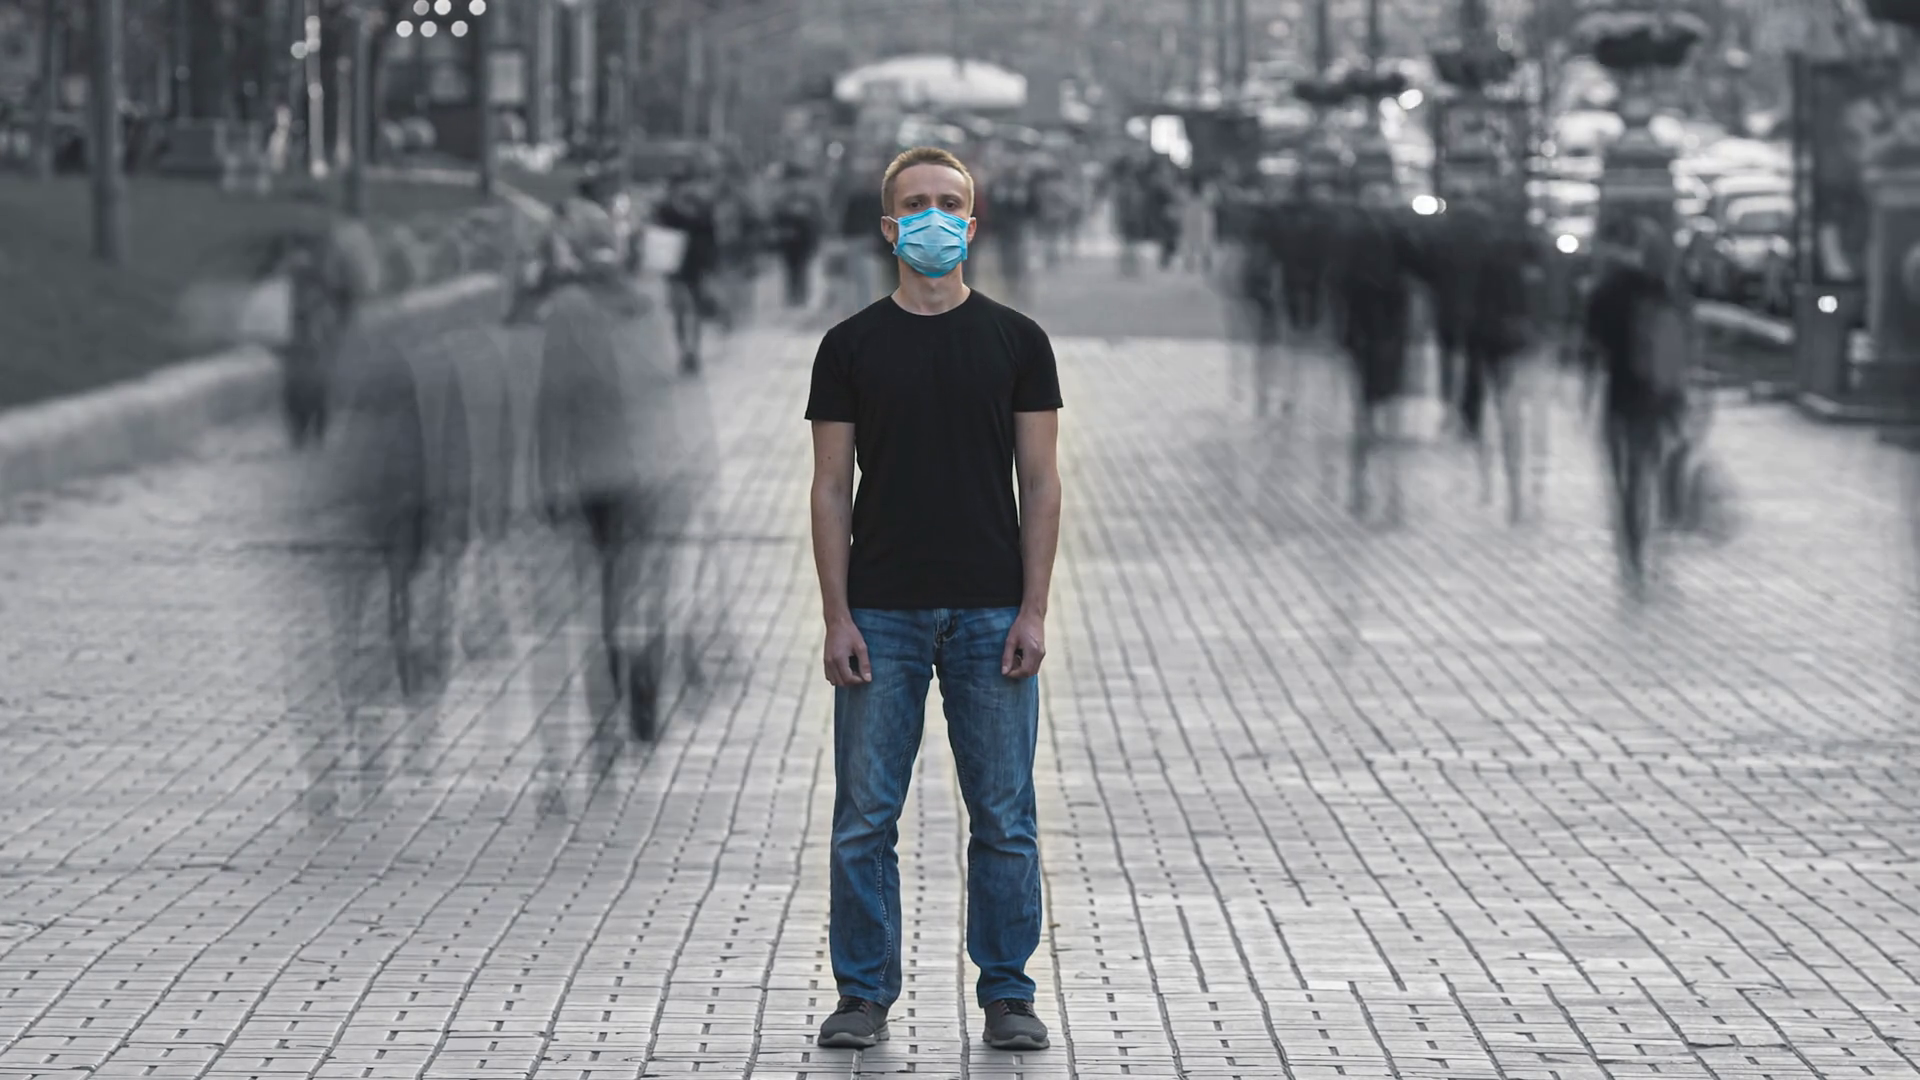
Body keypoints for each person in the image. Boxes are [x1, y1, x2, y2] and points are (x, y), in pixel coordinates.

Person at [804, 146, 1063, 1053]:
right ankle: (863, 993)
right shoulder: (849, 347)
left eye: (948, 202)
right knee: (866, 817)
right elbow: (831, 489)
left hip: (992, 610)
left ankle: (1008, 992)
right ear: (887, 228)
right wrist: (837, 615)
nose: (932, 216)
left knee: (1003, 815)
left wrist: (1033, 609)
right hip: (883, 612)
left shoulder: (1018, 342)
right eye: (914, 204)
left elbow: (1042, 481)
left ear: (972, 221)